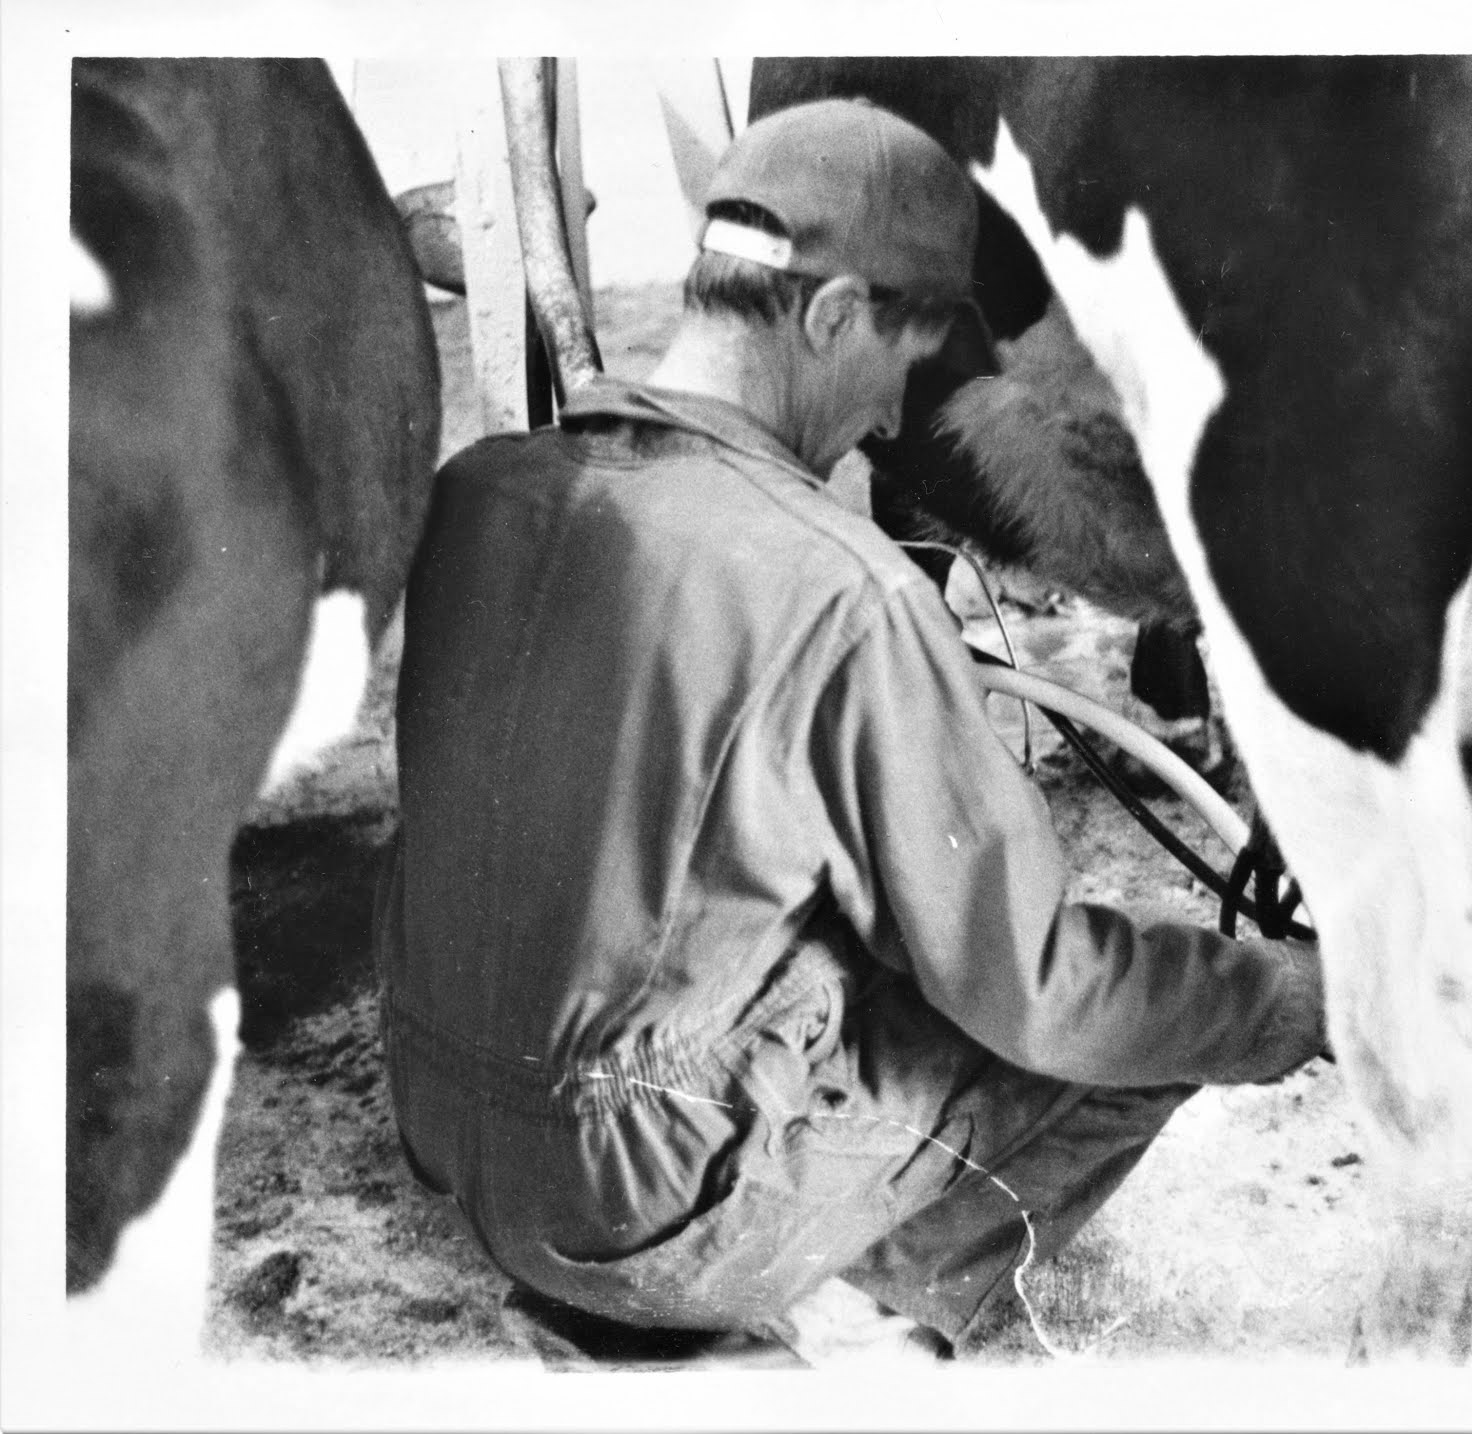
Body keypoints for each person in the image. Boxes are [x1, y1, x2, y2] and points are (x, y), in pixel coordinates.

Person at [374, 98, 1327, 1366]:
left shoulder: (476, 488)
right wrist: (1304, 999)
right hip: (651, 1208)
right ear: (828, 318)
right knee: (1149, 1012)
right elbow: (1036, 990)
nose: (887, 424)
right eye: (897, 368)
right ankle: (855, 1322)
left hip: (445, 1129)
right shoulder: (845, 590)